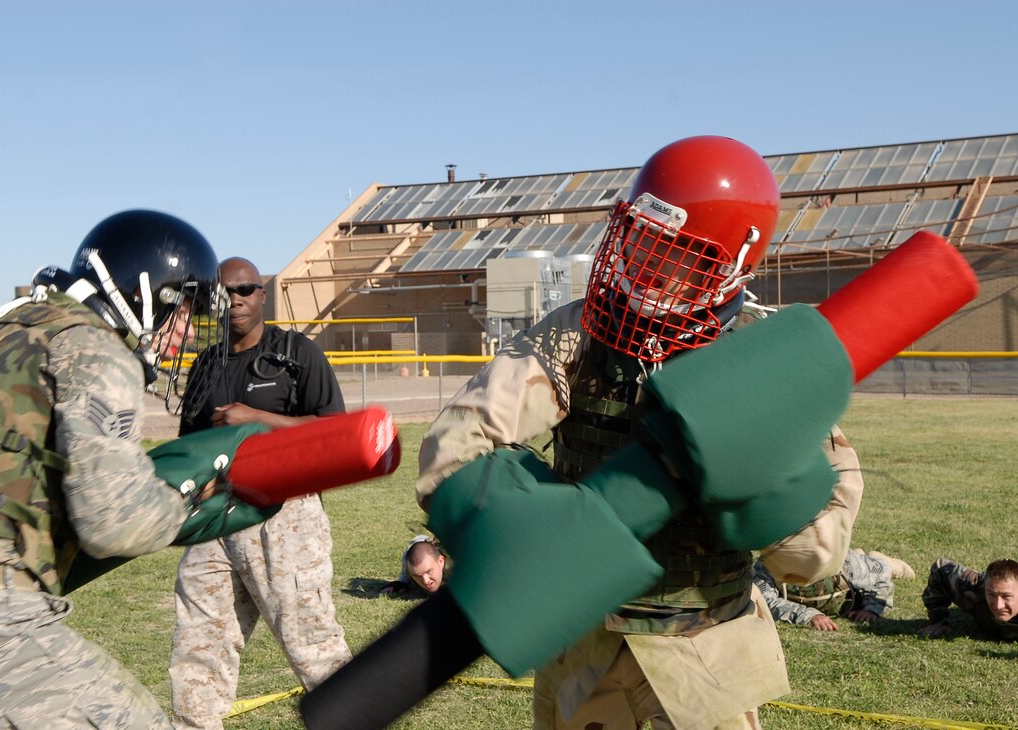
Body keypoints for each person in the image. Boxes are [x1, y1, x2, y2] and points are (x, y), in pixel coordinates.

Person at [413, 136, 866, 729]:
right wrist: (550, 529)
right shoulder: (578, 333)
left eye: (670, 253)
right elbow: (453, 450)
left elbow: (812, 557)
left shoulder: (761, 361)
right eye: (637, 241)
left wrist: (757, 476)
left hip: (699, 654)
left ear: (730, 262)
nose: (640, 267)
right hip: (582, 649)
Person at [0, 209, 225, 728]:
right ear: (146, 292)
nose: (186, 330)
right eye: (182, 309)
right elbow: (116, 519)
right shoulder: (90, 345)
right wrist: (185, 503)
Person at [169, 256, 352, 729]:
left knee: (312, 647)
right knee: (198, 648)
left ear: (262, 294)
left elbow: (334, 431)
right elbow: (191, 442)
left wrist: (261, 419)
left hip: (283, 517)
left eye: (245, 290)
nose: (235, 300)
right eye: (225, 293)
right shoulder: (207, 363)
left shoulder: (296, 353)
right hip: (216, 518)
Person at [754, 549, 914, 631]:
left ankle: (887, 561)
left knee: (878, 566)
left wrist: (871, 609)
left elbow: (880, 576)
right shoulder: (771, 562)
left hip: (867, 567)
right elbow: (765, 600)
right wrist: (808, 615)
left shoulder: (841, 560)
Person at [918, 558, 1018, 640]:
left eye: (1006, 596)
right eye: (991, 595)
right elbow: (941, 569)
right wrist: (938, 620)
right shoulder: (974, 586)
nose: (998, 605)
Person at [380, 534, 451, 596]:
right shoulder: (408, 559)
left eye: (429, 572)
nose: (426, 581)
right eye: (417, 576)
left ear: (440, 561)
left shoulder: (458, 564)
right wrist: (401, 583)